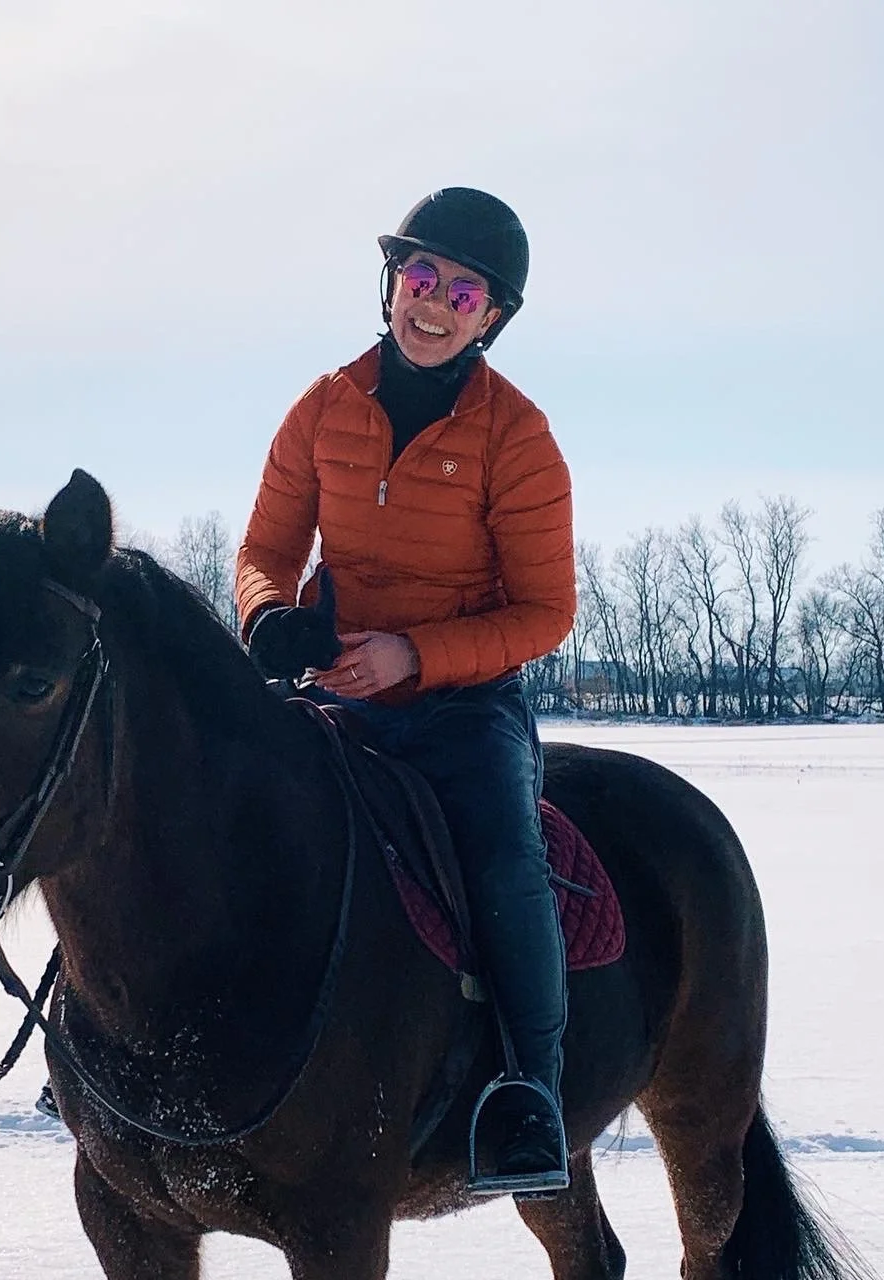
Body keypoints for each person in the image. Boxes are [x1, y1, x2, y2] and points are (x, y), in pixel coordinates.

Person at [237, 187, 575, 1192]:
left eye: (461, 292)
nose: (432, 304)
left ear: (492, 318)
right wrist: (267, 617)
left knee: (504, 855)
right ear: (391, 282)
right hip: (335, 689)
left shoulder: (519, 437)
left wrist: (413, 656)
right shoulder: (322, 407)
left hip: (464, 705)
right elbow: (263, 549)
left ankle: (532, 1091)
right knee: (213, 809)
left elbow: (545, 612)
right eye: (419, 277)